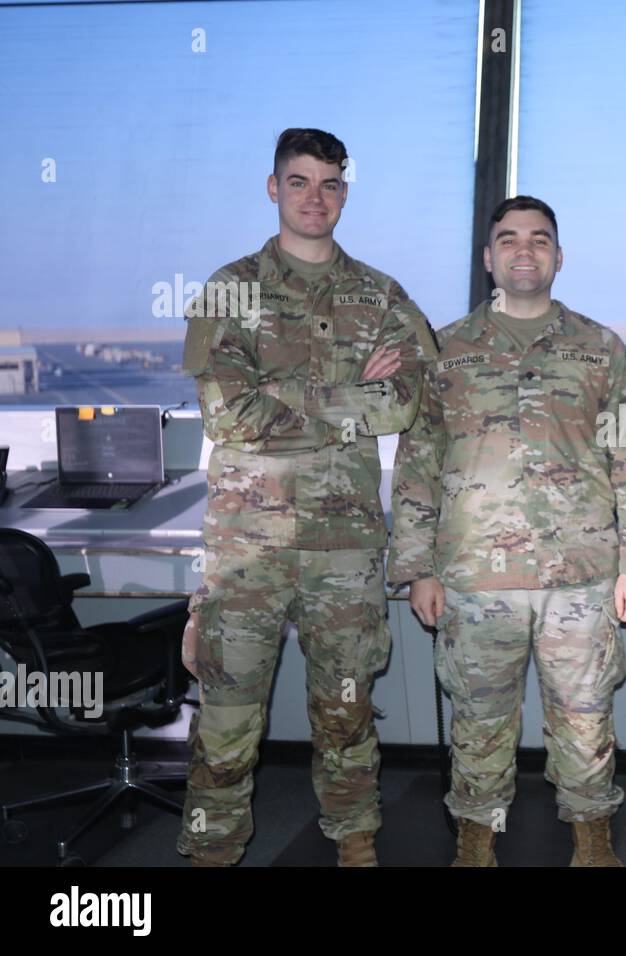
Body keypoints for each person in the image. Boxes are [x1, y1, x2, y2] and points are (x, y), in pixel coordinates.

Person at [176, 128, 437, 867]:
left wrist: (284, 396)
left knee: (348, 714)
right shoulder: (230, 289)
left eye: (328, 184)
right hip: (246, 552)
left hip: (345, 550)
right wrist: (349, 392)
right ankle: (211, 853)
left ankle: (355, 845)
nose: (314, 197)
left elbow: (405, 404)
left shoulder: (380, 295)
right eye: (299, 182)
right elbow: (229, 413)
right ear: (273, 188)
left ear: (344, 194)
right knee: (226, 722)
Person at [388, 196, 626, 867]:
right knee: (478, 717)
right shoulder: (445, 351)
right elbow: (419, 463)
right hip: (475, 577)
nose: (524, 251)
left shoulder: (601, 350)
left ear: (559, 257)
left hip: (582, 573)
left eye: (540, 240)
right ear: (488, 258)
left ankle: (591, 835)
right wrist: (419, 566)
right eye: (509, 240)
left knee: (587, 716)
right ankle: (476, 836)